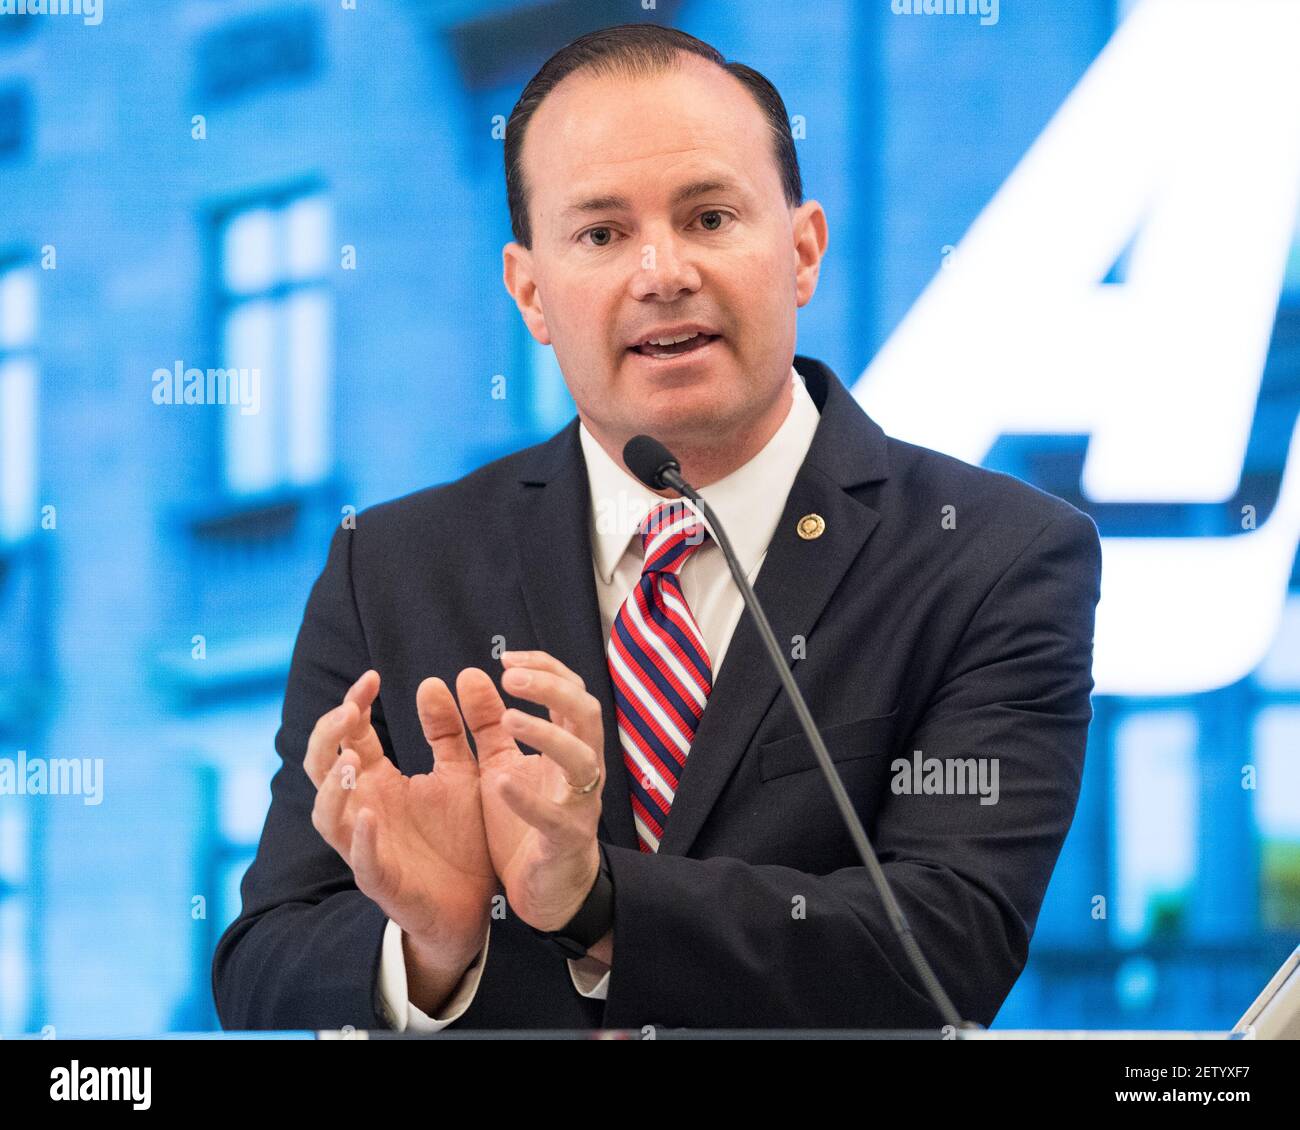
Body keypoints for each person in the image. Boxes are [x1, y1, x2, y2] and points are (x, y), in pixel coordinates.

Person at [212, 23, 1101, 1032]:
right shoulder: (393, 566)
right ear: (530, 291)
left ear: (802, 249)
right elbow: (261, 959)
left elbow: (947, 941)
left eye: (710, 215)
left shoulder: (994, 555)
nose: (661, 270)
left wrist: (594, 900)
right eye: (599, 234)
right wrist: (431, 939)